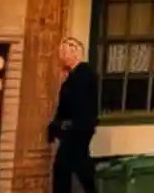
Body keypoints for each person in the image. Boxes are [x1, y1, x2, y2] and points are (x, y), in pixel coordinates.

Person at [49, 37, 97, 193]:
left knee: (66, 166)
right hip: (75, 129)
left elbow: (80, 104)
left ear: (75, 52)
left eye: (64, 52)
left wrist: (69, 125)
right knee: (75, 167)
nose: (61, 56)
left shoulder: (84, 74)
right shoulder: (72, 76)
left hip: (79, 129)